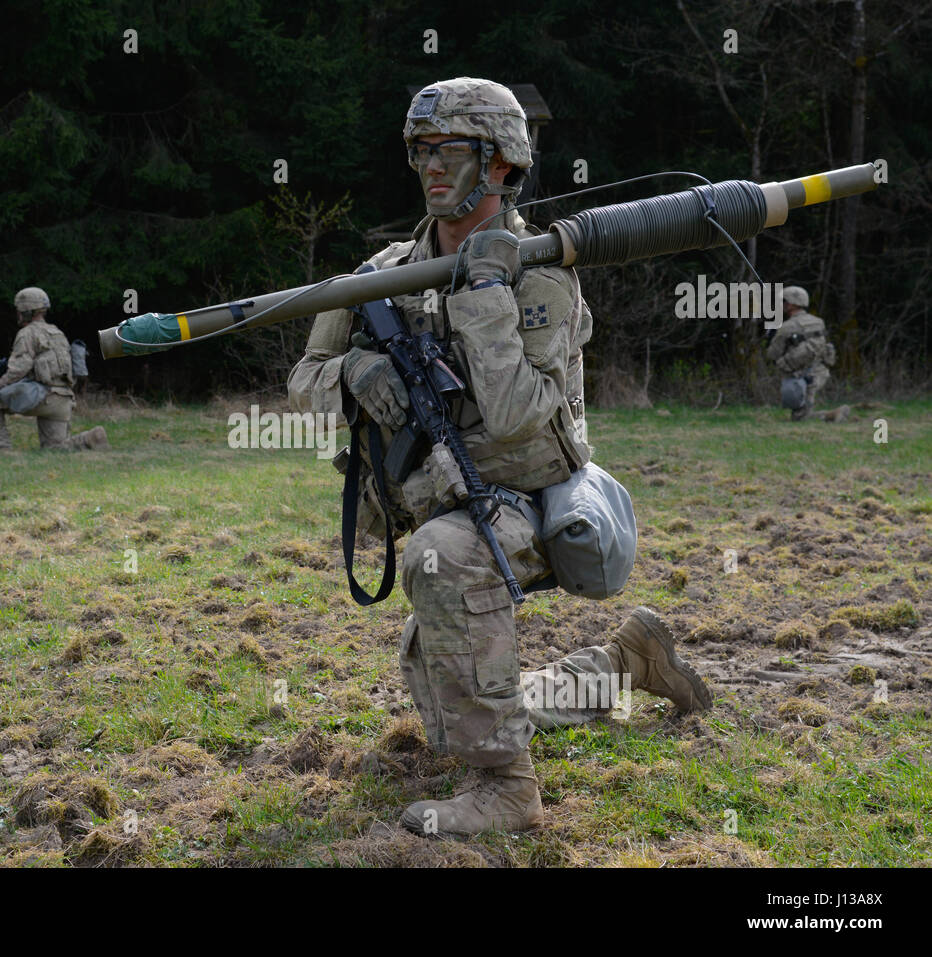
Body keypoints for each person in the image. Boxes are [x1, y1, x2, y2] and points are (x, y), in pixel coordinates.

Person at [287, 78, 712, 840]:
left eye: (451, 150)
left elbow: (519, 419)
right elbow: (302, 381)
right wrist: (352, 374)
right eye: (421, 151)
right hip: (430, 497)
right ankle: (624, 662)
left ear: (504, 166)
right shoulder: (379, 273)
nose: (431, 168)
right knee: (451, 694)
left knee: (440, 562)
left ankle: (508, 790)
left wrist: (483, 293)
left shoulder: (541, 276)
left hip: (523, 498)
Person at [0, 287, 108, 451]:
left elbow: (18, 369)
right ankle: (88, 439)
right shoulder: (57, 332)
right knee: (54, 448)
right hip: (64, 399)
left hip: (42, 396)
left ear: (25, 311)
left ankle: (2, 450)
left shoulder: (27, 333)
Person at [766, 285, 847, 421]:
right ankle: (831, 415)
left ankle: (833, 414)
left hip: (801, 376)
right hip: (820, 372)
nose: (782, 305)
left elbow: (772, 354)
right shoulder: (818, 322)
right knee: (801, 413)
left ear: (791, 304)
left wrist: (772, 336)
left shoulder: (788, 327)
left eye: (784, 301)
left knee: (800, 418)